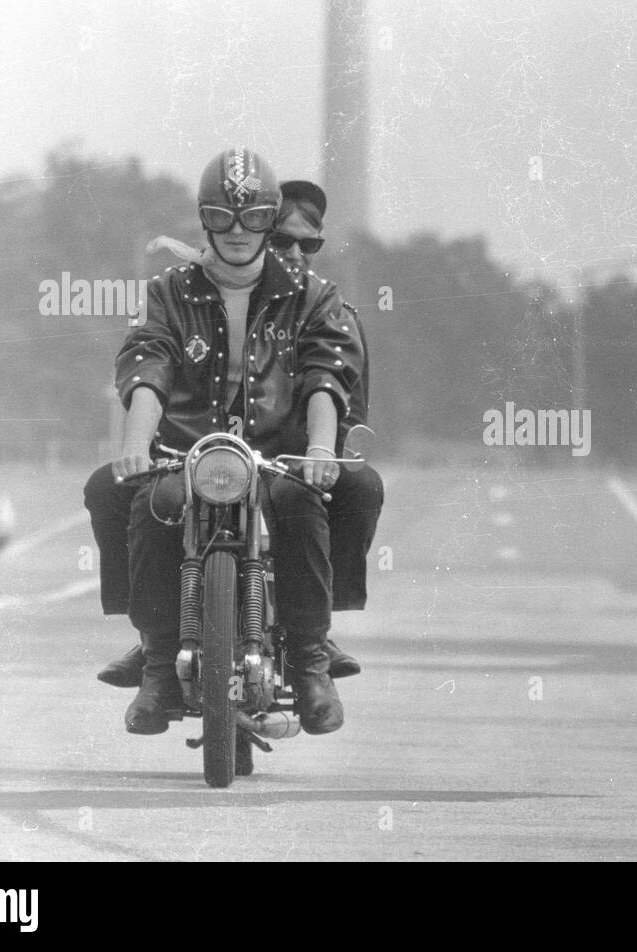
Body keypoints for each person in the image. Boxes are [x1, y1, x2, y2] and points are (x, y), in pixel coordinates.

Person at [106, 147, 364, 736]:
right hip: (191, 453)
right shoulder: (170, 289)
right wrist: (137, 444)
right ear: (205, 219)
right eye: (223, 218)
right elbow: (149, 365)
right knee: (149, 503)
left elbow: (326, 375)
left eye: (253, 218)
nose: (239, 232)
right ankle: (156, 666)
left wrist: (321, 452)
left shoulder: (310, 292)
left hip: (277, 456)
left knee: (305, 503)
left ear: (270, 220)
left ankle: (309, 660)